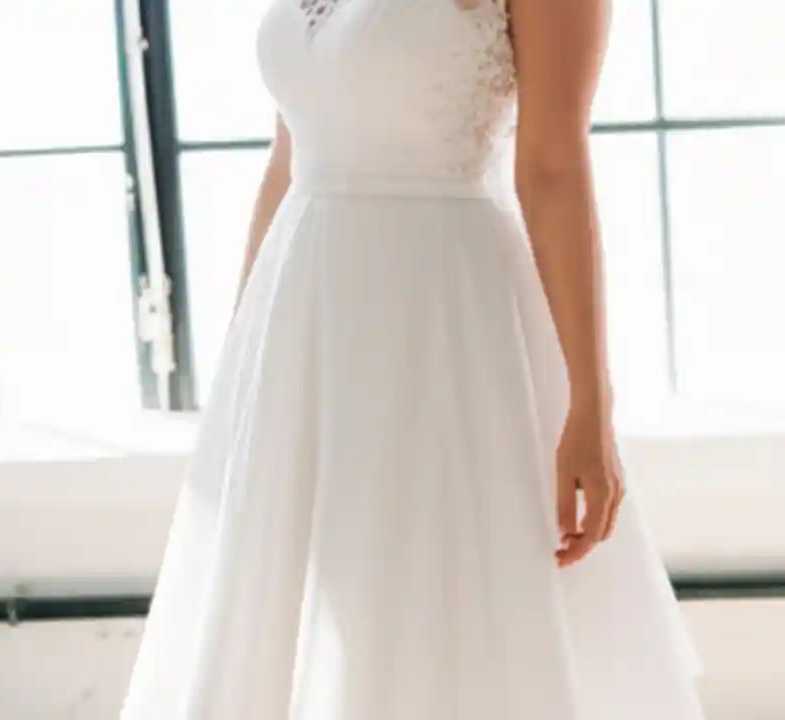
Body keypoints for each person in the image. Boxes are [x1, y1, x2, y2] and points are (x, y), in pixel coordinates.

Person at [121, 0, 703, 717]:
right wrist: (244, 362)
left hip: (444, 320)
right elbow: (287, 161)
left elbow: (552, 167)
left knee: (434, 585)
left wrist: (590, 405)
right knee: (300, 610)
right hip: (303, 330)